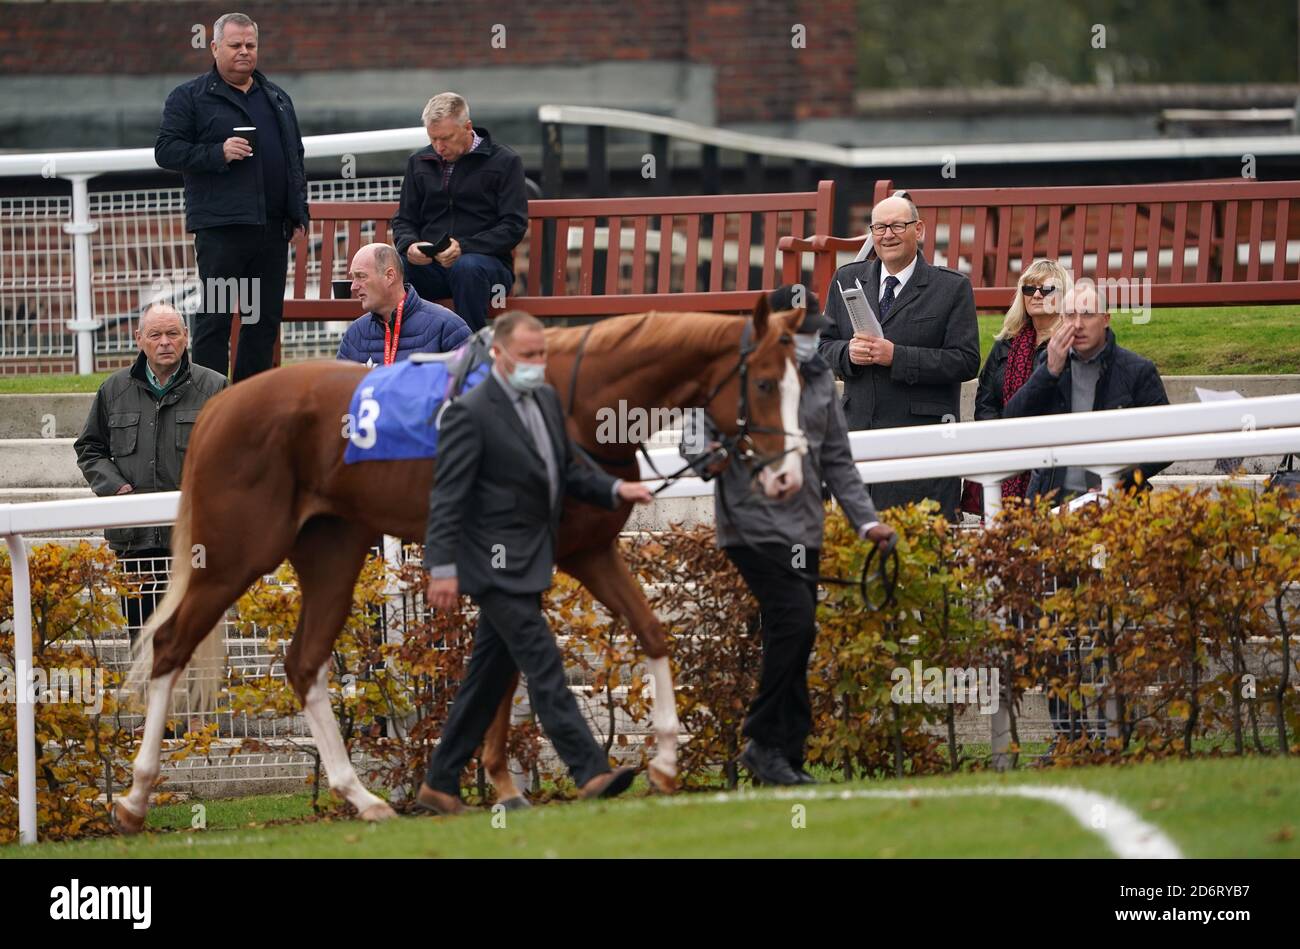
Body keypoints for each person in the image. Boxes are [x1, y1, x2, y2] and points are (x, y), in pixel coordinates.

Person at [417, 311, 655, 814]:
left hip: (530, 557)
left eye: (542, 354)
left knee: (486, 677)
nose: (538, 364)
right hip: (491, 564)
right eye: (528, 356)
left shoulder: (545, 399)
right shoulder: (470, 412)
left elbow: (566, 467)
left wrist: (616, 487)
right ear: (499, 356)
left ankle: (440, 782)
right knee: (543, 660)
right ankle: (589, 771)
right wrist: (441, 567)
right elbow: (448, 497)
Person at [682, 286, 898, 786]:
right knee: (795, 623)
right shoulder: (734, 368)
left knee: (796, 634)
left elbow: (836, 459)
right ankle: (760, 737)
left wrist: (866, 521)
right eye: (796, 332)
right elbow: (697, 429)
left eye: (810, 333)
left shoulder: (819, 376)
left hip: (804, 524)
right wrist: (709, 457)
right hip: (750, 523)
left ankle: (786, 758)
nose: (804, 342)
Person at [155, 11, 308, 381]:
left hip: (270, 231)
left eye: (250, 45)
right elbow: (167, 151)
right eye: (235, 45)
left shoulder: (275, 97)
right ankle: (209, 405)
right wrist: (217, 152)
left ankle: (247, 403)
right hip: (223, 230)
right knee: (216, 318)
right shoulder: (190, 97)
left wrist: (298, 212)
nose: (244, 52)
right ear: (214, 47)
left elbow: (294, 156)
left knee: (260, 319)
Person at [818, 193, 980, 521]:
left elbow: (965, 360)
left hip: (922, 448)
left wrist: (898, 357)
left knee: (927, 559)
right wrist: (846, 353)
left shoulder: (951, 288)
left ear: (918, 230)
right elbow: (821, 348)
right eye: (879, 227)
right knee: (861, 560)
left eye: (896, 226)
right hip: (860, 439)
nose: (887, 235)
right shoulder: (846, 279)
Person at [73, 303, 227, 642]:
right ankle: (148, 696)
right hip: (134, 539)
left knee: (194, 636)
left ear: (186, 338)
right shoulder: (114, 390)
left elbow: (235, 453)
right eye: (155, 335)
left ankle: (196, 697)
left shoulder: (214, 388)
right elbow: (89, 448)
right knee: (142, 638)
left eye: (173, 333)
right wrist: (115, 488)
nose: (165, 342)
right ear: (139, 339)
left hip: (192, 535)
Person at [1002, 282, 1171, 503]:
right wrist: (1048, 373)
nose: (1078, 324)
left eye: (1088, 315)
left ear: (1106, 319)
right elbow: (1012, 422)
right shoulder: (1052, 364)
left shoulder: (1137, 370)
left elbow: (1166, 442)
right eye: (1070, 315)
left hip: (1117, 502)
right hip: (1052, 502)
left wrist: (1118, 480)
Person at [392, 93, 528, 333]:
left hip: (487, 266)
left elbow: (513, 226)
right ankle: (408, 351)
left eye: (446, 138)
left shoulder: (505, 161)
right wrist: (410, 246)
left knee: (466, 268)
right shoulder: (418, 161)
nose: (439, 147)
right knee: (394, 270)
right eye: (432, 139)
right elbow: (404, 220)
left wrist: (463, 246)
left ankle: (469, 351)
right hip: (431, 266)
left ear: (467, 127)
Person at [966, 258, 1069, 511]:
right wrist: (1003, 439)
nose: (1036, 295)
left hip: (1053, 458)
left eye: (1046, 289)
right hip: (1005, 453)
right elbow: (986, 400)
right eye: (1029, 289)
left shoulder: (1070, 344)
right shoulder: (1006, 344)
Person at [336, 244, 470, 366]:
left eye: (361, 276)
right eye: (353, 277)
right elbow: (338, 391)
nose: (353, 287)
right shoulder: (355, 334)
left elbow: (474, 383)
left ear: (390, 276)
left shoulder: (447, 326)